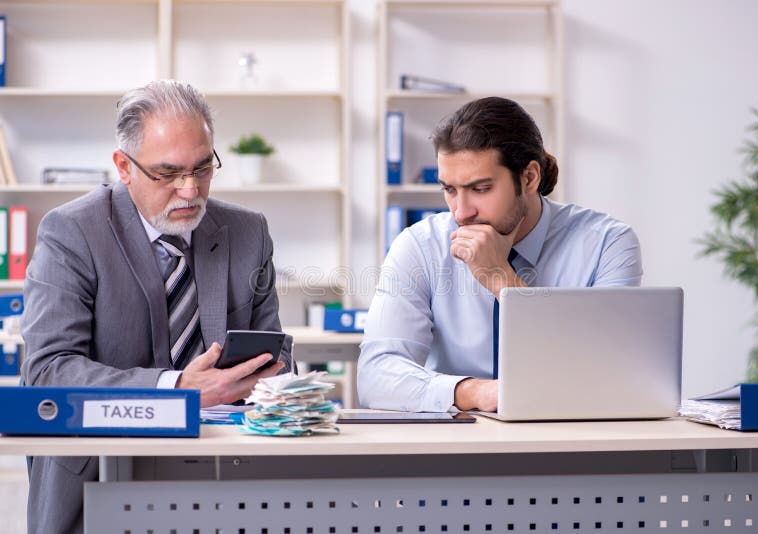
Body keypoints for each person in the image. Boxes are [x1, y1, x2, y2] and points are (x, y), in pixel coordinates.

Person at [21, 80, 291, 534]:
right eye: (168, 174)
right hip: (99, 479)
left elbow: (278, 360)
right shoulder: (72, 232)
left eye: (203, 168)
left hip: (229, 477)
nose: (189, 190)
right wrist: (178, 387)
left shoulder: (248, 232)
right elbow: (47, 370)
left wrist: (274, 381)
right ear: (123, 167)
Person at [358, 96, 643, 413]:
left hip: (571, 443)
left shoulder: (607, 245)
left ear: (529, 178)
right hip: (453, 447)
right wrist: (477, 393)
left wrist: (502, 280)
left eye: (480, 189)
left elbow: (609, 374)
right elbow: (375, 378)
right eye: (450, 189)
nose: (461, 212)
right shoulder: (419, 246)